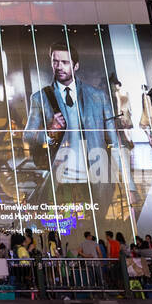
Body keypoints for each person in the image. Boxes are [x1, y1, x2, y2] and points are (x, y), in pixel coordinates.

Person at [21, 42, 121, 209]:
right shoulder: (40, 97)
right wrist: (49, 131)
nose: (59, 66)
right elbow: (27, 135)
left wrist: (124, 181)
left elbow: (114, 141)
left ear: (76, 66)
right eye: (55, 61)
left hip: (96, 176)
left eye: (65, 62)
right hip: (62, 177)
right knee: (67, 225)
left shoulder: (97, 96)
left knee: (98, 222)